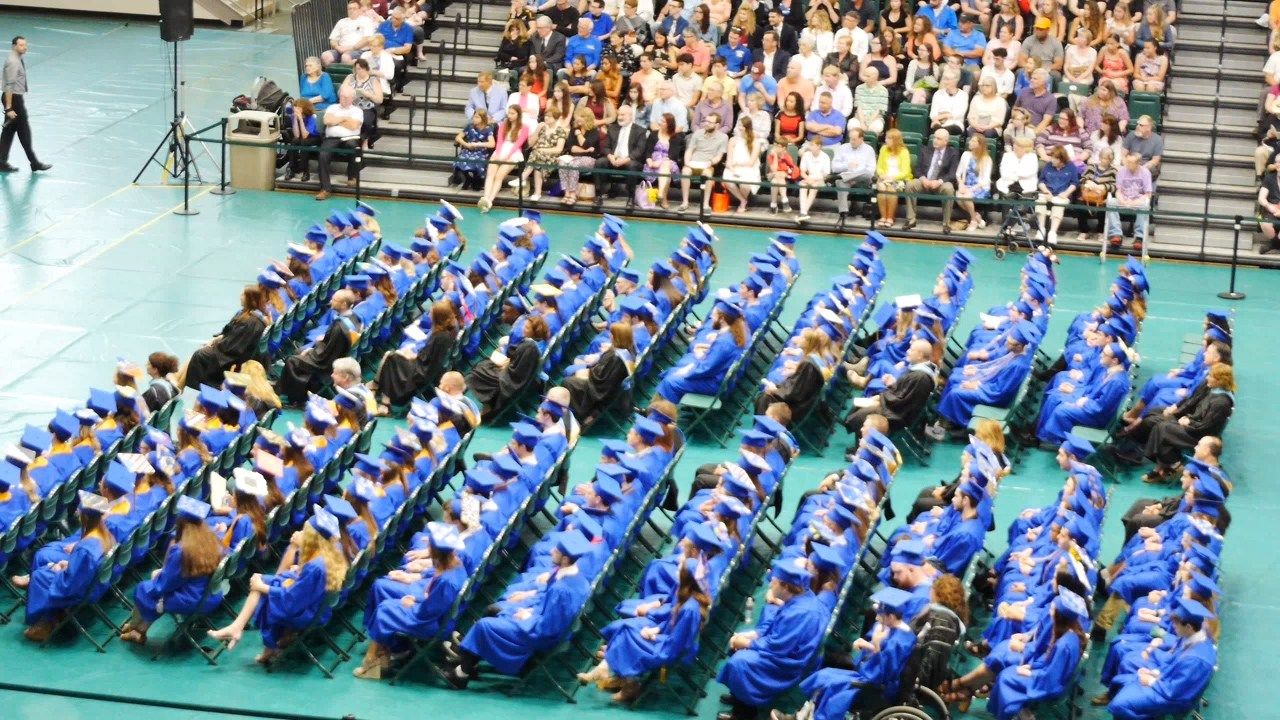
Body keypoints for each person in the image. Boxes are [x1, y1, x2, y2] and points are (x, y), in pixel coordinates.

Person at [208, 509, 349, 663]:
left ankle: (266, 645)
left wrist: (263, 587)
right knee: (262, 579)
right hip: (318, 606)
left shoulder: (315, 567)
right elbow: (308, 588)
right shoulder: (334, 550)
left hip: (308, 613)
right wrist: (296, 573)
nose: (302, 533)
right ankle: (237, 627)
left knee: (264, 591)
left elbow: (291, 599)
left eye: (305, 531)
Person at [781, 587, 918, 720]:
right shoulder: (903, 633)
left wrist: (875, 645)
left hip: (875, 688)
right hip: (869, 678)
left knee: (831, 687)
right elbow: (887, 659)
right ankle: (803, 715)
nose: (877, 618)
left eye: (880, 615)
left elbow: (880, 674)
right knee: (825, 674)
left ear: (891, 617)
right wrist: (869, 645)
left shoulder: (897, 642)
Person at [353, 522, 468, 679]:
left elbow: (427, 612)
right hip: (438, 616)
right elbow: (435, 600)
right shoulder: (456, 565)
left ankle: (372, 661)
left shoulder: (446, 581)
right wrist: (417, 598)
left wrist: (413, 604)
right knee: (387, 606)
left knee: (384, 609)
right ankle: (382, 657)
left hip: (434, 624)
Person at [717, 561, 826, 720]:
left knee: (740, 662)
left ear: (786, 587)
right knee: (738, 644)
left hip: (787, 662)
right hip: (785, 650)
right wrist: (752, 635)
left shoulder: (800, 613)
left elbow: (779, 646)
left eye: (774, 582)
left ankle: (745, 713)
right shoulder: (800, 599)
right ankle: (740, 698)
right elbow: (776, 629)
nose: (770, 585)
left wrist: (748, 643)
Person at [120, 497, 224, 645]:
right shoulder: (212, 540)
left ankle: (137, 629)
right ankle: (136, 629)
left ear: (180, 522)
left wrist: (155, 584)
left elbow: (166, 584)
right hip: (210, 595)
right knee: (155, 578)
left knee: (144, 589)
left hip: (191, 600)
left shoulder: (182, 550)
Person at [20, 492, 114, 641]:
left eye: (80, 512)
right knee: (49, 567)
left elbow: (70, 585)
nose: (77, 513)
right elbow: (83, 570)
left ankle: (44, 623)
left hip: (82, 591)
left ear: (87, 517)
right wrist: (68, 565)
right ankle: (52, 615)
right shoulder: (104, 535)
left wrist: (58, 569)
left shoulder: (86, 548)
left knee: (39, 575)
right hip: (97, 584)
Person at [179, 286, 271, 390]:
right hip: (233, 353)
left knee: (199, 355)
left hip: (234, 361)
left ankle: (184, 386)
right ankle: (178, 383)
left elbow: (233, 347)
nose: (240, 297)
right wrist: (216, 340)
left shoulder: (252, 322)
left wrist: (215, 345)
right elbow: (229, 334)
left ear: (250, 299)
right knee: (200, 351)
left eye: (243, 295)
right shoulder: (246, 315)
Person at [278, 290, 362, 405]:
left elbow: (326, 356)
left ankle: (294, 397)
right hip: (336, 354)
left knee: (292, 361)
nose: (331, 301)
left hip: (327, 362)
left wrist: (312, 350)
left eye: (335, 300)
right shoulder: (354, 317)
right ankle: (306, 388)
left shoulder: (339, 327)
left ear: (343, 304)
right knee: (300, 351)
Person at [372, 302, 458, 413]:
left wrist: (409, 356)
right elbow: (427, 356)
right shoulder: (445, 332)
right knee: (394, 356)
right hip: (427, 368)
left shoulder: (440, 337)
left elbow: (424, 360)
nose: (429, 314)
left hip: (422, 372)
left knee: (392, 358)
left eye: (432, 313)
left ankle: (385, 403)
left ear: (438, 316)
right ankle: (382, 396)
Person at [844, 338, 938, 436]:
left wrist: (880, 398)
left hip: (900, 415)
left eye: (911, 350)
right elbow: (904, 392)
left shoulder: (920, 377)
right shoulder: (919, 371)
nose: (907, 352)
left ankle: (861, 445)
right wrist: (893, 384)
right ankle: (859, 441)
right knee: (864, 402)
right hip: (897, 407)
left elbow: (902, 400)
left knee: (867, 412)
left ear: (920, 355)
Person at [467, 314, 551, 419]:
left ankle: (488, 406)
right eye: (524, 326)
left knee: (481, 371)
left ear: (534, 331)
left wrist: (505, 367)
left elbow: (518, 372)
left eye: (527, 328)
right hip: (514, 373)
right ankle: (487, 404)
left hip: (514, 380)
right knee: (486, 364)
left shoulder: (531, 347)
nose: (523, 329)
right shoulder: (531, 342)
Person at [564, 321, 635, 421]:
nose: (610, 335)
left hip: (602, 391)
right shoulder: (629, 351)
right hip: (610, 387)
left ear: (617, 337)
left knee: (569, 382)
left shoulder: (614, 357)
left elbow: (599, 380)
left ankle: (579, 416)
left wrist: (586, 372)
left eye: (612, 334)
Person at [2, 36, 51, 173]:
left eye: (25, 45)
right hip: (14, 100)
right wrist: (9, 108)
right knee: (24, 132)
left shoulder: (17, 59)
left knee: (8, 131)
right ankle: (34, 162)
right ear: (14, 46)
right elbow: (9, 86)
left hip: (14, 98)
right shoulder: (13, 62)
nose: (25, 47)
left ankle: (1, 162)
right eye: (21, 45)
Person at [314, 86, 364, 201]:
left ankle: (352, 176)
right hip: (331, 138)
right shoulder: (332, 107)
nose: (343, 99)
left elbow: (353, 126)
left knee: (354, 147)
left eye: (346, 97)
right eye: (341, 96)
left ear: (352, 98)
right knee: (323, 154)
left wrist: (336, 121)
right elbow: (327, 121)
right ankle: (325, 189)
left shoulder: (357, 110)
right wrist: (345, 118)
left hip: (350, 137)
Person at [595, 103, 649, 206]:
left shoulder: (640, 131)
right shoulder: (612, 128)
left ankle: (630, 197)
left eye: (623, 115)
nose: (620, 117)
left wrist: (625, 160)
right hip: (614, 159)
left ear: (631, 116)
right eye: (619, 115)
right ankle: (598, 195)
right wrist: (610, 157)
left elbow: (639, 150)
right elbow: (606, 147)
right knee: (599, 162)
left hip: (629, 160)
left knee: (632, 166)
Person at [906, 128, 959, 231]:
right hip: (925, 181)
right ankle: (911, 220)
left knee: (949, 188)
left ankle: (946, 223)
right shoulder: (925, 150)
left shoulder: (953, 153)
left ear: (946, 141)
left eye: (939, 139)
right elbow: (917, 169)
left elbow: (952, 174)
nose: (935, 140)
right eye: (934, 137)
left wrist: (939, 181)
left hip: (940, 184)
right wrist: (923, 179)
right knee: (910, 185)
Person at [478, 105, 530, 212]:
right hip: (501, 150)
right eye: (509, 113)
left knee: (498, 176)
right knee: (490, 174)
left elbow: (518, 144)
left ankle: (489, 201)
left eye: (512, 113)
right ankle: (485, 198)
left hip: (514, 153)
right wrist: (498, 153)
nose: (509, 115)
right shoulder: (503, 125)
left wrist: (507, 156)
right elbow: (500, 141)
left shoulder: (524, 128)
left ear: (518, 114)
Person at [678, 112, 729, 212]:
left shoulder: (723, 137)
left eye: (710, 122)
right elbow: (690, 150)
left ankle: (705, 204)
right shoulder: (697, 133)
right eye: (706, 121)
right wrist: (687, 161)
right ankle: (685, 202)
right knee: (685, 171)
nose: (706, 123)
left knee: (707, 174)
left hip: (708, 164)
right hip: (693, 162)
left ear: (717, 125)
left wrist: (710, 162)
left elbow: (719, 156)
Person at [1106, 151, 1154, 253]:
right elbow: (1118, 191)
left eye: (1130, 162)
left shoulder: (1145, 172)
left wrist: (1134, 202)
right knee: (1111, 202)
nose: (1128, 164)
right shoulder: (1121, 171)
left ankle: (1139, 237)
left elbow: (1148, 194)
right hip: (1124, 199)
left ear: (1138, 163)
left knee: (1145, 206)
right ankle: (1116, 234)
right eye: (1127, 162)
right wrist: (1122, 200)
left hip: (1139, 200)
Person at [1034, 145, 1079, 245]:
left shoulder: (1071, 167)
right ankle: (1041, 230)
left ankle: (1052, 232)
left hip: (1062, 195)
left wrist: (1066, 193)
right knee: (1040, 200)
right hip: (1048, 193)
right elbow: (1041, 181)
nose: (1052, 160)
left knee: (1058, 203)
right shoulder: (1048, 165)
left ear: (1061, 159)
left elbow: (1075, 183)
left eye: (1054, 158)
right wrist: (1046, 191)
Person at [831, 127, 876, 220]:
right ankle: (843, 212)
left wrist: (854, 177)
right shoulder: (842, 148)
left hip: (863, 179)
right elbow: (834, 167)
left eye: (854, 139)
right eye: (850, 138)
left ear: (861, 139)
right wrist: (847, 166)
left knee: (866, 173)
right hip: (847, 180)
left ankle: (843, 177)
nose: (851, 141)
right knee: (840, 182)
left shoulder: (869, 150)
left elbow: (871, 171)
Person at [723, 117, 764, 213]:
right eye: (739, 125)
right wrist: (731, 167)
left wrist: (737, 163)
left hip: (749, 168)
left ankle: (743, 202)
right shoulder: (732, 140)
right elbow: (729, 160)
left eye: (742, 126)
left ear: (747, 127)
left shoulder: (755, 142)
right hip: (734, 167)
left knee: (744, 184)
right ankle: (743, 200)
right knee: (728, 180)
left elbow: (751, 163)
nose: (739, 127)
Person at [875, 128, 913, 227]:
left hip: (899, 179)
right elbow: (879, 166)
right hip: (884, 178)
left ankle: (890, 217)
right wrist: (882, 175)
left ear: (895, 140)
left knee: (891, 189)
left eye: (888, 138)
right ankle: (883, 216)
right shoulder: (883, 149)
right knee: (882, 188)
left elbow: (905, 172)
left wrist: (892, 178)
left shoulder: (904, 152)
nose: (885, 140)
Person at [955, 134, 993, 231]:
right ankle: (977, 217)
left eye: (973, 141)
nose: (970, 142)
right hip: (965, 185)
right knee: (958, 196)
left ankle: (973, 220)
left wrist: (971, 189)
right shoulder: (965, 155)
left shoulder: (987, 159)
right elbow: (958, 174)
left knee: (966, 196)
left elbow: (985, 180)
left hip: (980, 187)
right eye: (970, 140)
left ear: (980, 145)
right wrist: (961, 185)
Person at [452, 109, 496, 190]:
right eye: (474, 117)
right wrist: (466, 144)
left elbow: (492, 144)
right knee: (460, 160)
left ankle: (476, 180)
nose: (474, 119)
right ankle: (468, 179)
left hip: (481, 152)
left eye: (477, 117)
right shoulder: (469, 126)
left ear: (482, 118)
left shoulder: (488, 129)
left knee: (477, 162)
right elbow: (458, 137)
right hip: (468, 150)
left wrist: (478, 144)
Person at [321, 1, 376, 65]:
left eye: (354, 8)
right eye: (350, 9)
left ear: (359, 10)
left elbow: (366, 39)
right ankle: (331, 75)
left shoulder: (366, 21)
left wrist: (352, 48)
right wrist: (337, 47)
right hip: (340, 50)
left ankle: (347, 75)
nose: (352, 10)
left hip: (359, 50)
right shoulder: (342, 22)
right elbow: (333, 39)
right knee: (325, 56)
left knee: (345, 57)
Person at [796, 137, 830, 222]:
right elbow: (802, 172)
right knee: (802, 185)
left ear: (819, 146)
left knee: (814, 187)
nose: (810, 147)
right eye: (810, 145)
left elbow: (825, 174)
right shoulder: (806, 155)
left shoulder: (825, 157)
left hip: (820, 179)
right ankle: (803, 212)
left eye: (812, 145)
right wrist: (808, 178)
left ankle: (803, 212)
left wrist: (814, 179)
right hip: (808, 178)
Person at [1121, 115, 1163, 181]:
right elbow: (1123, 154)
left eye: (1141, 125)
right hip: (1131, 163)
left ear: (1148, 127)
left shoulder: (1158, 140)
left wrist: (1140, 170)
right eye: (1137, 124)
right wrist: (1127, 165)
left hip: (1145, 166)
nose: (1137, 126)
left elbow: (1155, 160)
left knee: (1153, 170)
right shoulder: (1131, 135)